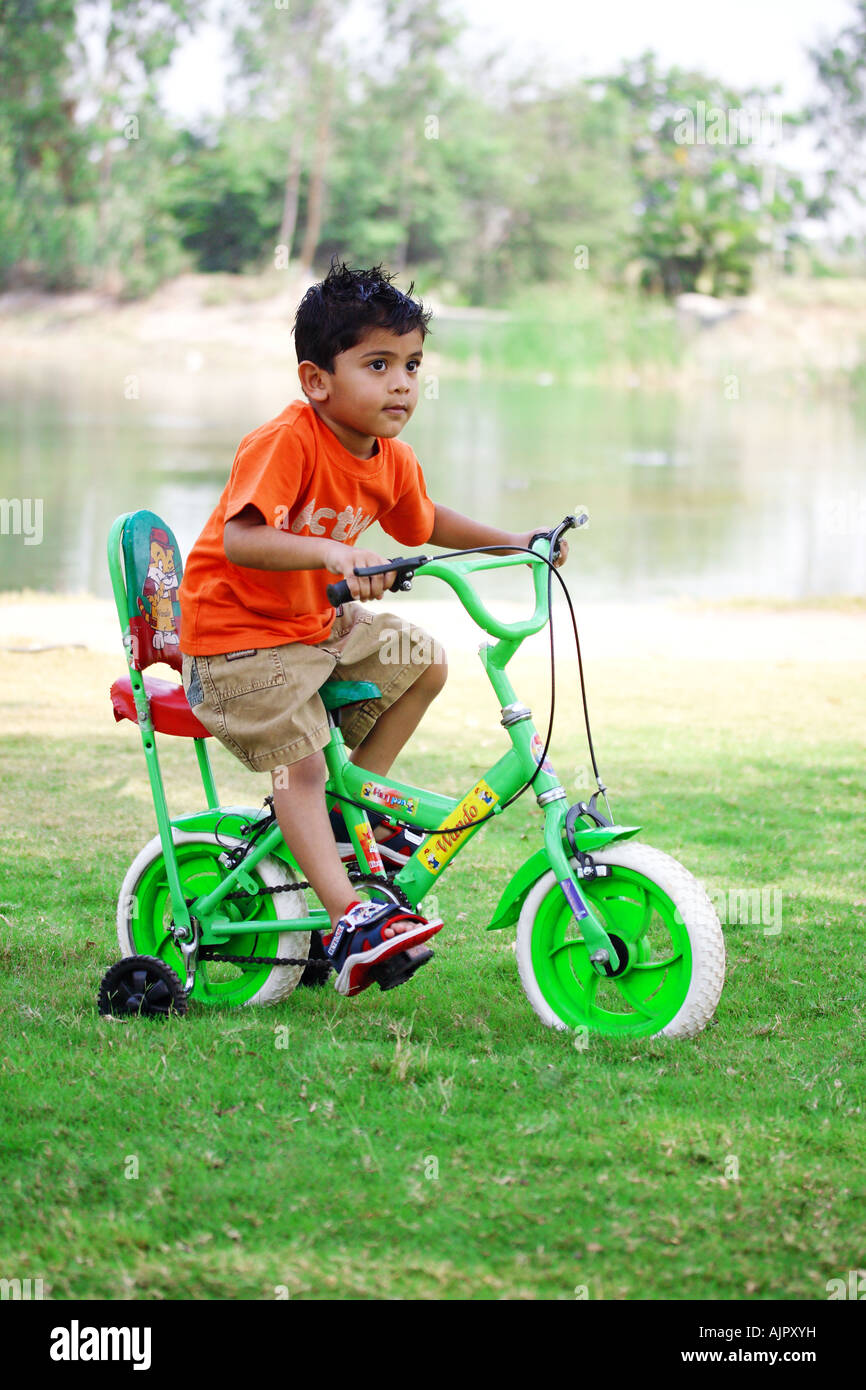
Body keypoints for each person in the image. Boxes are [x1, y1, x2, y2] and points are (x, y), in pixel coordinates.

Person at [178, 261, 567, 998]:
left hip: (313, 626)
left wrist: (519, 542)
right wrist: (333, 552)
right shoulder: (286, 442)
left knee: (421, 659)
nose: (402, 385)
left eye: (412, 365)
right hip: (236, 641)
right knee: (302, 763)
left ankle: (349, 815)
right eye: (378, 365)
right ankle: (348, 920)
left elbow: (427, 522)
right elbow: (242, 539)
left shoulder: (391, 459)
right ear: (317, 380)